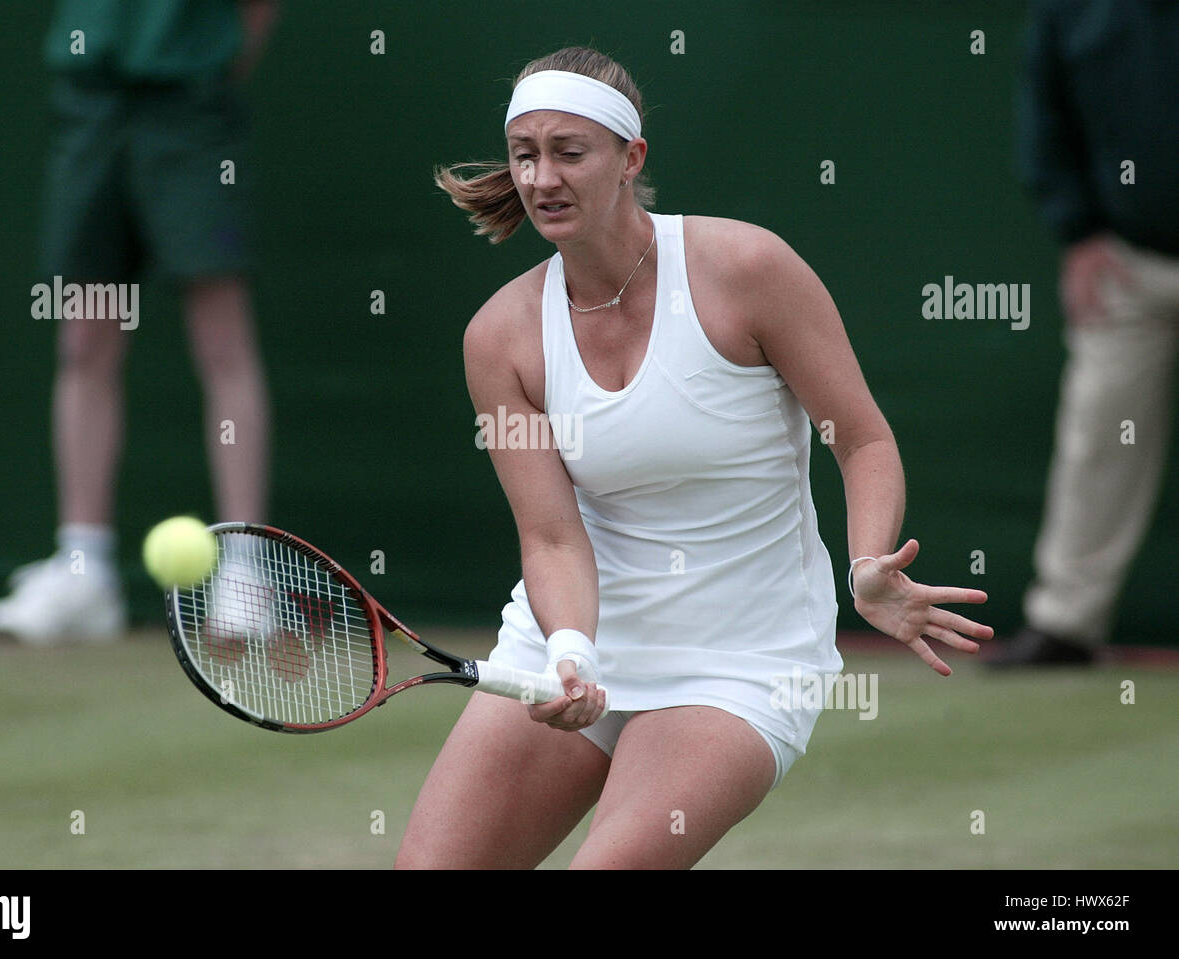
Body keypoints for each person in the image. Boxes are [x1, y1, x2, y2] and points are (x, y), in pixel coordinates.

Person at [396, 46, 992, 869]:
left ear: (630, 157)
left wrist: (866, 563)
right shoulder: (499, 337)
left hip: (740, 658)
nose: (541, 179)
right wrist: (570, 650)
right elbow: (554, 537)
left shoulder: (746, 269)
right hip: (575, 637)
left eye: (569, 152)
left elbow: (859, 437)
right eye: (525, 154)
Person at [0, 0, 279, 644]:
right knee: (85, 338)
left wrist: (213, 63)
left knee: (221, 340)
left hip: (191, 105)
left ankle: (245, 572)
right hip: (89, 105)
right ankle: (83, 572)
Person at [992, 0, 1179, 667]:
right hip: (1125, 262)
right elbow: (1045, 115)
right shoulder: (1072, 13)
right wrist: (1079, 230)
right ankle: (1066, 625)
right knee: (1099, 434)